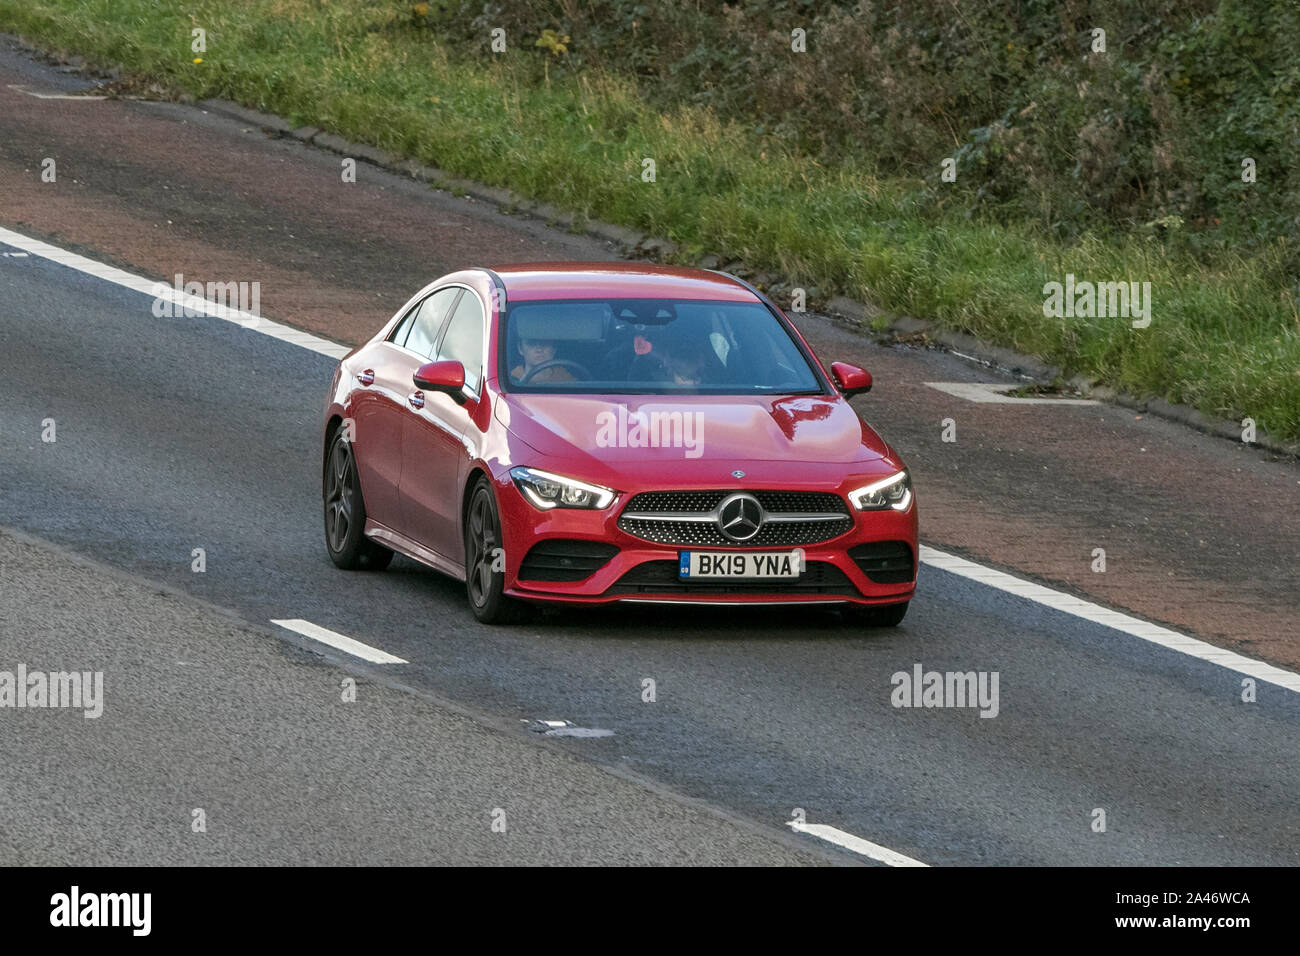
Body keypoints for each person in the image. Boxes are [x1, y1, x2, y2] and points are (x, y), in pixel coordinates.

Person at [510, 338, 575, 384]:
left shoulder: (565, 378)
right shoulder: (511, 381)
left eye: (544, 343)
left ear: (554, 349)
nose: (539, 350)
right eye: (531, 343)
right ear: (520, 349)